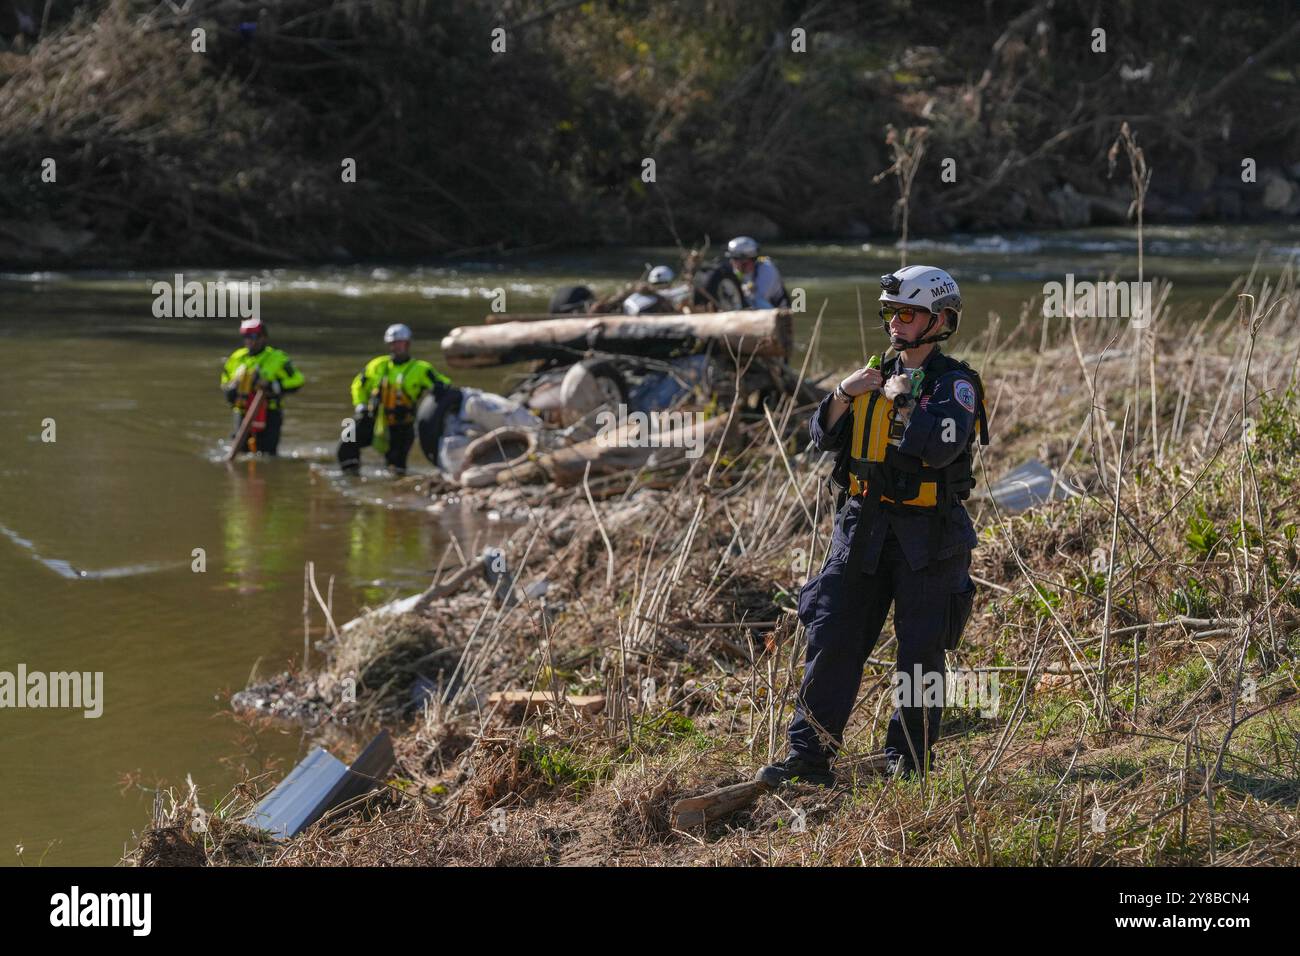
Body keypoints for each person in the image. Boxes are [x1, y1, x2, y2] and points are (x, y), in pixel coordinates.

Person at [758, 265, 989, 787]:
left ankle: (908, 764)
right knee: (832, 634)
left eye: (908, 314)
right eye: (891, 313)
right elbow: (821, 436)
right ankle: (809, 758)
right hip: (861, 528)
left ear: (941, 320)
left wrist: (905, 402)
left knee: (920, 655)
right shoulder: (872, 374)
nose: (896, 323)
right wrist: (842, 392)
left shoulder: (956, 386)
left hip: (928, 536)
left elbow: (941, 447)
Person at [338, 323, 452, 475]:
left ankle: (396, 491)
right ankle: (351, 479)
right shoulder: (377, 365)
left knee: (396, 468)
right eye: (393, 343)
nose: (396, 346)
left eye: (400, 342)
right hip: (372, 420)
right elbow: (358, 385)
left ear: (408, 344)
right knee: (346, 444)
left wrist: (440, 389)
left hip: (401, 427)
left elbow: (444, 384)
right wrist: (360, 405)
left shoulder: (421, 368)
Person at [221, 318, 305, 456]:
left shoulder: (278, 358)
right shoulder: (236, 358)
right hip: (243, 412)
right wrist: (230, 388)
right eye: (246, 337)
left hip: (269, 413)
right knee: (242, 453)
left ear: (264, 337)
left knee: (266, 455)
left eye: (254, 336)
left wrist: (274, 385)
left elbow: (297, 380)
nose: (250, 341)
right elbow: (225, 380)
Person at [725, 235, 789, 309]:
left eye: (735, 259)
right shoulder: (736, 271)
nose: (731, 262)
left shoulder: (767, 269)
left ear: (746, 260)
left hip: (775, 311)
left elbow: (758, 299)